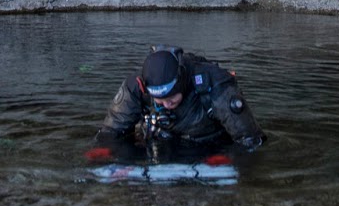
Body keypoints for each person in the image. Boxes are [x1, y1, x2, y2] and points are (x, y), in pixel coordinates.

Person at [95, 46, 265, 150]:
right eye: (160, 101)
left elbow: (250, 139)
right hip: (160, 142)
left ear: (181, 83)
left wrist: (226, 159)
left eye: (171, 98)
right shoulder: (136, 86)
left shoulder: (214, 83)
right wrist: (103, 150)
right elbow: (112, 130)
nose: (167, 104)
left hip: (209, 146)